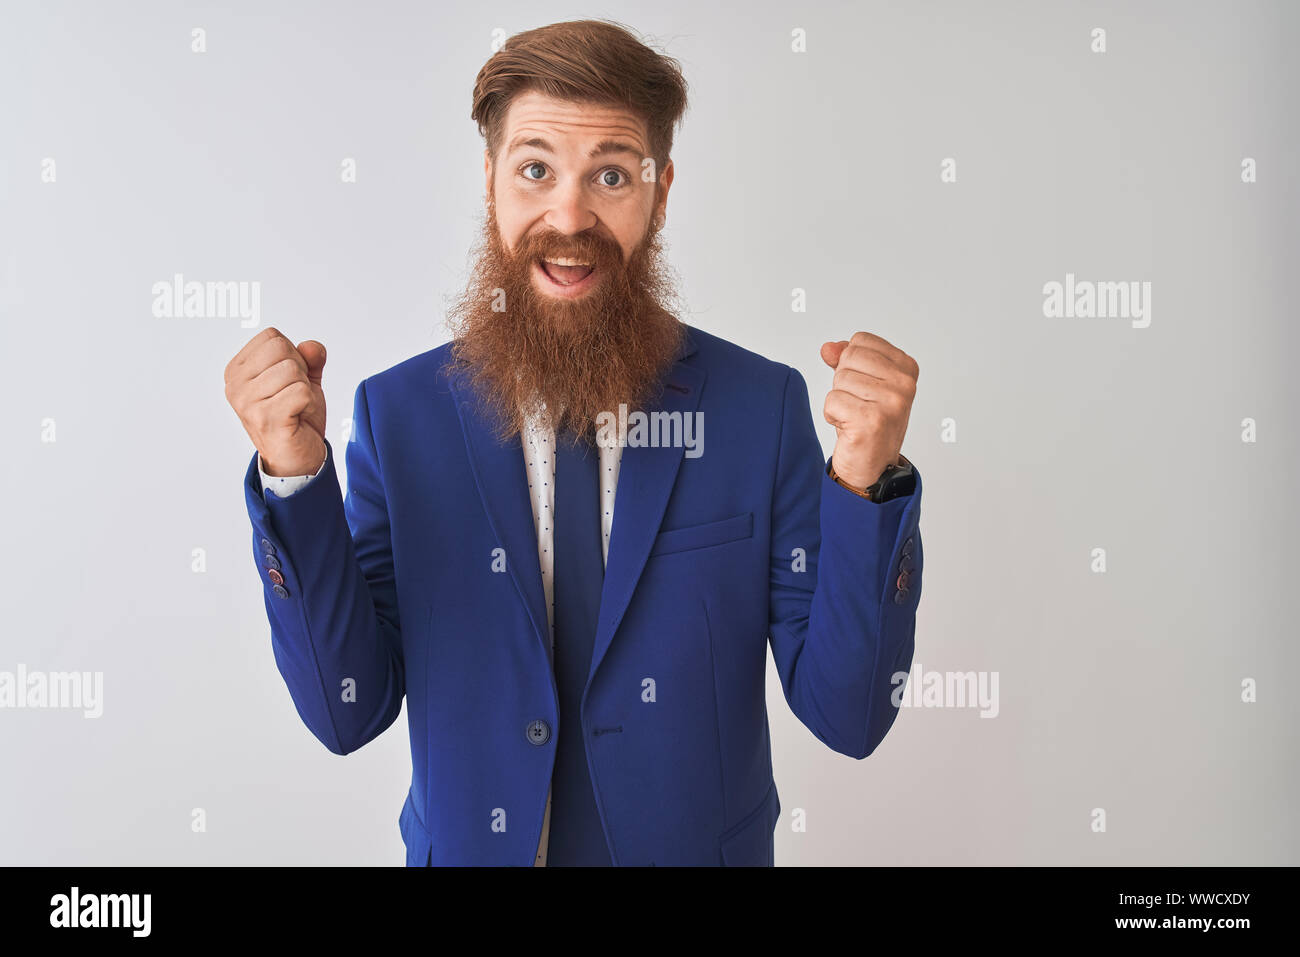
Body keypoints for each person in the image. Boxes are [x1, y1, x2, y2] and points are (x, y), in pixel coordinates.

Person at [223, 18, 923, 866]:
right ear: (491, 185)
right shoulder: (398, 416)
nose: (569, 213)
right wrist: (294, 478)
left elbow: (848, 715)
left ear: (660, 195)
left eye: (612, 175)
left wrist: (865, 482)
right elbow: (348, 711)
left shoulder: (759, 408)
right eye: (535, 169)